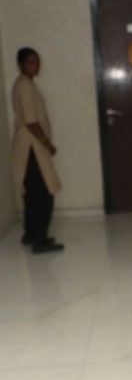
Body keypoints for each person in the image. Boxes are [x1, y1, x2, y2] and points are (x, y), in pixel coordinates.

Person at [11, 48, 64, 254]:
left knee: (33, 194)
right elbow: (31, 121)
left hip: (30, 146)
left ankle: (31, 234)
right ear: (21, 65)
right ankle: (39, 240)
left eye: (37, 61)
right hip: (31, 147)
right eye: (31, 62)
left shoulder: (25, 84)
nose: (36, 65)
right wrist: (47, 144)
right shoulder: (24, 86)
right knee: (43, 195)